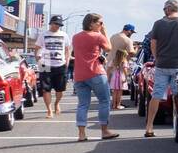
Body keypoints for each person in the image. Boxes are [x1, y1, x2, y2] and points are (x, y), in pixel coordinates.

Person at [144, 0, 178, 138]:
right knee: (177, 97)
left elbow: (153, 44)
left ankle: (149, 127)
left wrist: (157, 58)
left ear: (168, 9)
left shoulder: (158, 24)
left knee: (156, 96)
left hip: (162, 65)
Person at [71, 13, 119, 141]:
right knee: (104, 101)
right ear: (91, 23)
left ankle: (81, 134)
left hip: (79, 75)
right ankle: (104, 131)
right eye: (100, 23)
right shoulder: (98, 36)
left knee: (82, 104)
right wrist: (104, 32)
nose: (101, 25)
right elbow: (109, 48)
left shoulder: (75, 37)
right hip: (96, 73)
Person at [34, 15, 71, 117]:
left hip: (60, 64)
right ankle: (49, 110)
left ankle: (57, 103)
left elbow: (67, 50)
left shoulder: (64, 35)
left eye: (59, 24)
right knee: (46, 89)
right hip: (45, 65)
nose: (57, 26)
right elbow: (37, 48)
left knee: (60, 89)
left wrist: (67, 61)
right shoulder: (43, 35)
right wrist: (38, 60)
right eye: (56, 24)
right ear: (51, 23)